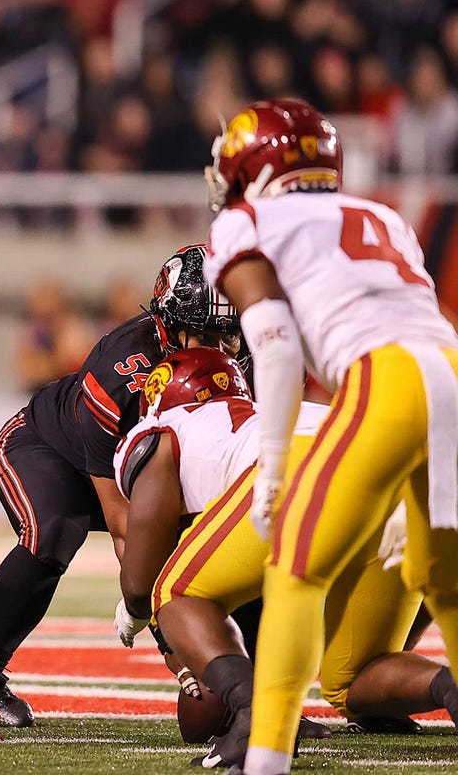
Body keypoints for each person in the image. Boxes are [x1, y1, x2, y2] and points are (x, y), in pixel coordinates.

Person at [202, 98, 458, 775]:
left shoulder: (246, 220)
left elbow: (280, 353)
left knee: (295, 568)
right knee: (449, 589)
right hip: (451, 376)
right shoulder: (382, 214)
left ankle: (265, 763)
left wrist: (276, 466)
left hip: (387, 382)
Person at [113, 347, 452, 762]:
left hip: (302, 467)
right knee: (352, 679)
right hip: (407, 476)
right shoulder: (279, 410)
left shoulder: (163, 429)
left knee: (175, 593)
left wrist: (133, 613)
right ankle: (448, 686)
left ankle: (259, 718)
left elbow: (139, 582)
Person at [0, 243, 244, 729]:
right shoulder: (119, 373)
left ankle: (258, 696)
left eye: (226, 337)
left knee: (237, 546)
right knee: (53, 533)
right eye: (200, 334)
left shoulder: (248, 364)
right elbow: (124, 528)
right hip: (50, 452)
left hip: (149, 473)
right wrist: (169, 644)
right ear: (167, 326)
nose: (215, 352)